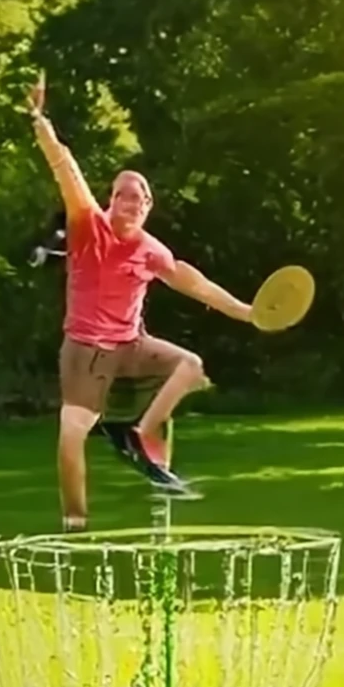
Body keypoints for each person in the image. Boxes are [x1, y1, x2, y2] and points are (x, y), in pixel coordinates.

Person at [26, 74, 255, 532]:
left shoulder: (152, 250)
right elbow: (65, 168)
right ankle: (75, 523)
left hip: (131, 347)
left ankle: (141, 436)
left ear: (148, 207)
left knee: (189, 366)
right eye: (122, 195)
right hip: (86, 351)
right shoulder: (89, 223)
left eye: (139, 198)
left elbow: (200, 286)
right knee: (72, 436)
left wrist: (250, 313)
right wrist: (39, 121)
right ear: (110, 201)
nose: (130, 203)